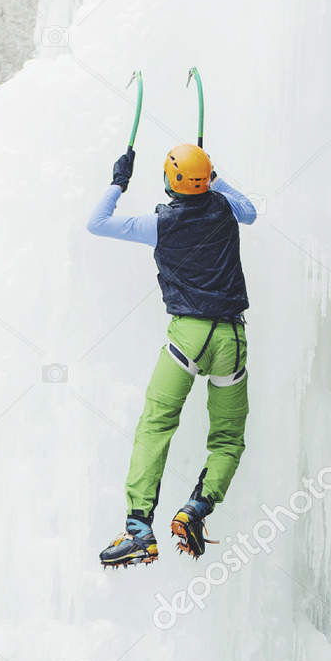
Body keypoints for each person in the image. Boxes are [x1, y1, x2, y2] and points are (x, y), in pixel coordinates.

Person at [87, 142, 256, 566]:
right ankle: (197, 508)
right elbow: (250, 210)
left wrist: (118, 181)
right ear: (205, 180)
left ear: (168, 182)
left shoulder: (158, 225)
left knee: (156, 425)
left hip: (187, 338)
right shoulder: (224, 208)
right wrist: (214, 178)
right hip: (231, 339)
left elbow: (97, 223)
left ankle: (139, 528)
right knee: (228, 437)